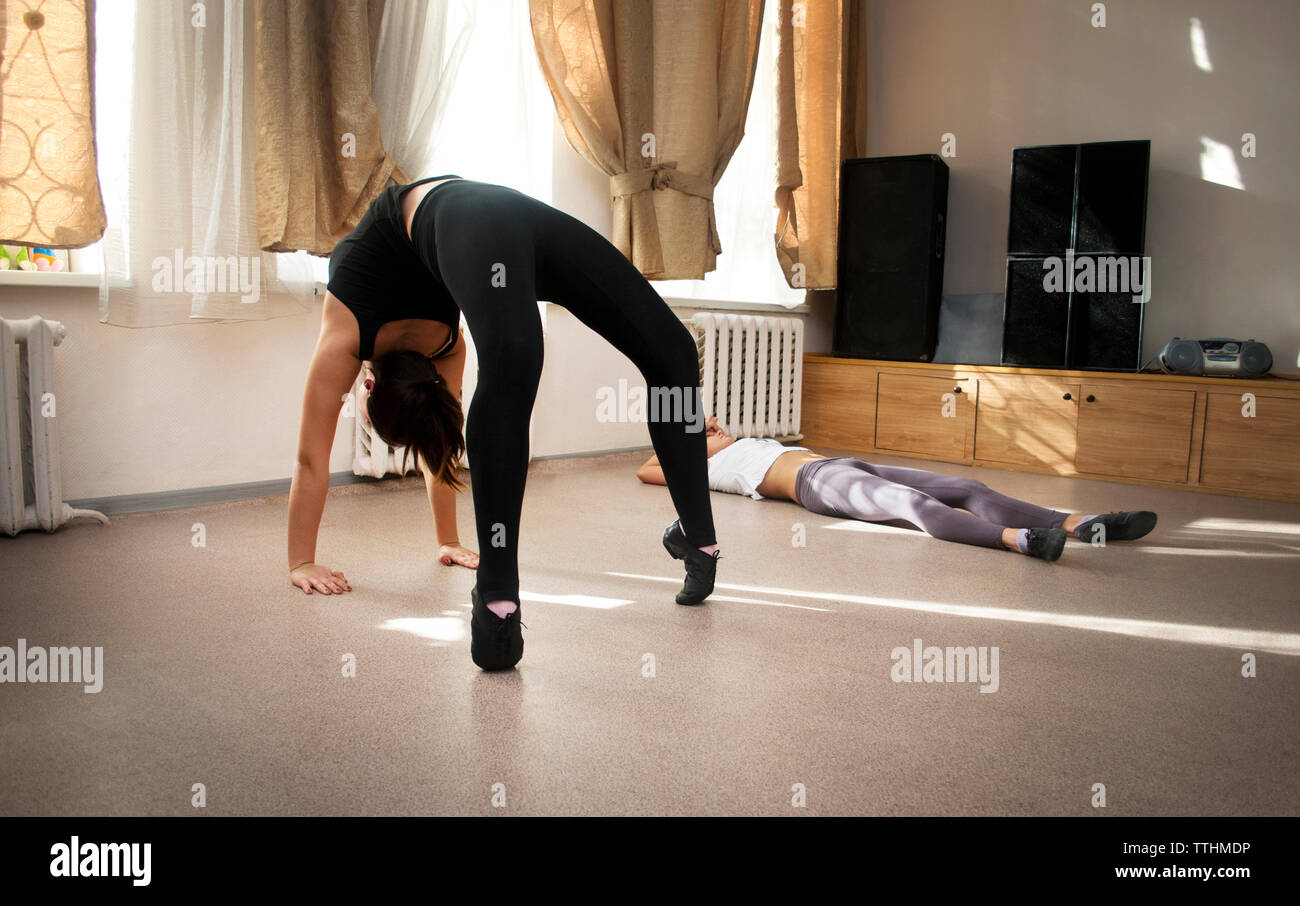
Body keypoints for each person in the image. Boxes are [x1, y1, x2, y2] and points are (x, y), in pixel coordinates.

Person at [288, 175, 719, 671]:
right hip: (499, 211)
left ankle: (497, 605)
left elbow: (313, 458)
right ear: (370, 389)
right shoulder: (429, 350)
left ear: (368, 387)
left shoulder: (375, 338)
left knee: (513, 374)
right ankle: (699, 540)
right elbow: (427, 451)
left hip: (471, 226)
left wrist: (302, 561)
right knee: (672, 352)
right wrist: (446, 542)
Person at [636, 417, 1157, 560]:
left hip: (841, 463)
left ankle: (1078, 523)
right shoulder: (702, 468)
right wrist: (689, 444)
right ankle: (1020, 540)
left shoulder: (739, 442)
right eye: (708, 431)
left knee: (965, 485)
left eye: (716, 425)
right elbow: (646, 470)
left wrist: (708, 430)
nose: (718, 429)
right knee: (915, 506)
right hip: (815, 483)